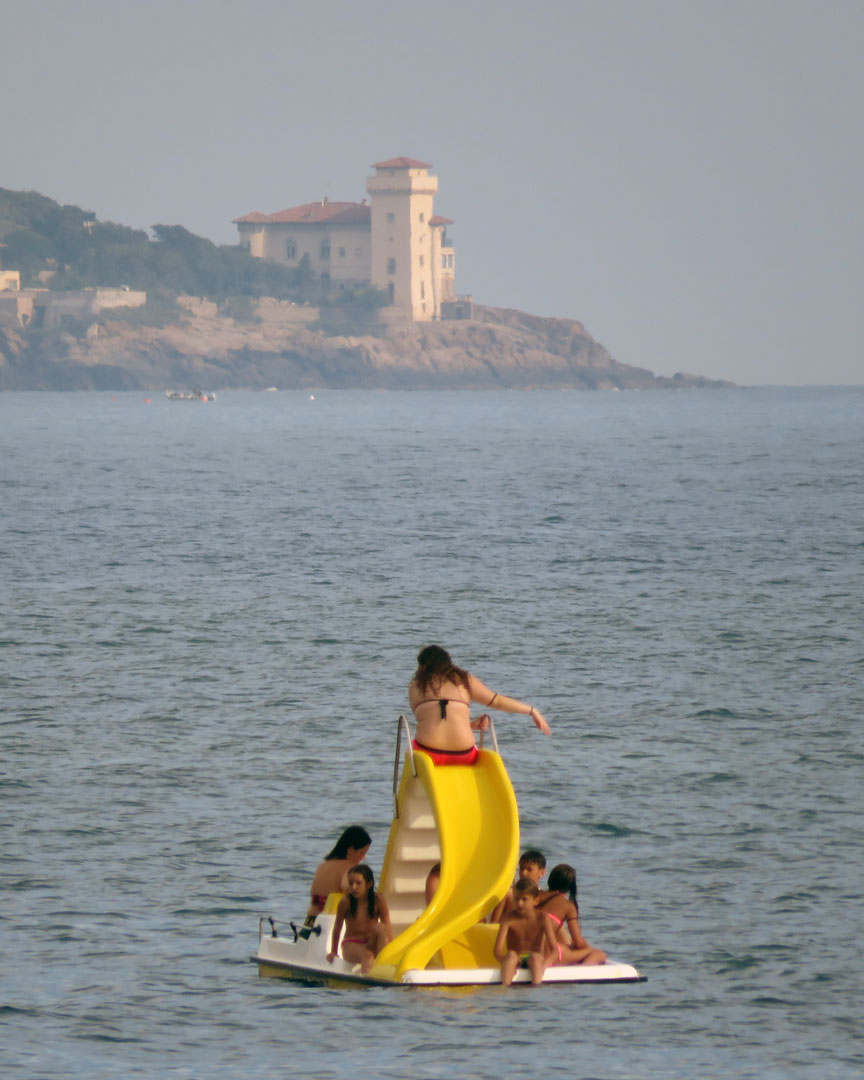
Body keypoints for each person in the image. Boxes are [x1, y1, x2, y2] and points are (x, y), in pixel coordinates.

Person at [409, 645, 550, 765]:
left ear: (423, 666)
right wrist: (532, 711)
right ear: (448, 663)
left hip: (428, 756)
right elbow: (497, 702)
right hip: (464, 755)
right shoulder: (464, 680)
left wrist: (469, 725)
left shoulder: (416, 686)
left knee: (411, 747)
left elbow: (432, 723)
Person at [327, 864, 392, 974]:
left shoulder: (378, 900)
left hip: (370, 941)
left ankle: (386, 964)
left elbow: (387, 926)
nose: (353, 887)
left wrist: (392, 949)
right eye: (351, 883)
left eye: (358, 883)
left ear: (369, 884)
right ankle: (367, 986)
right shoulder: (345, 902)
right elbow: (337, 929)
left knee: (380, 927)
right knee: (367, 955)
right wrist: (334, 951)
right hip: (351, 944)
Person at [538, 863, 606, 966]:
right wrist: (588, 950)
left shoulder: (537, 897)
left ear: (550, 880)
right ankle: (582, 971)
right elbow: (578, 941)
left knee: (566, 945)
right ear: (570, 886)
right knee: (599, 954)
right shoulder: (568, 906)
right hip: (548, 954)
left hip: (529, 950)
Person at [493, 878, 557, 986]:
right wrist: (504, 962)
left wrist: (544, 966)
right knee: (510, 956)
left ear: (536, 901)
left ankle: (536, 987)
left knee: (535, 958)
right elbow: (497, 951)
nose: (519, 903)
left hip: (536, 959)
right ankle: (505, 988)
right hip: (516, 959)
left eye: (524, 899)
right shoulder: (508, 918)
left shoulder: (542, 917)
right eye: (516, 899)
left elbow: (555, 950)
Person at [306, 825, 371, 918]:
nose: (364, 857)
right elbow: (347, 886)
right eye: (362, 853)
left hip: (311, 921)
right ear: (350, 850)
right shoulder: (350, 867)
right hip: (331, 923)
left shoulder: (323, 865)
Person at [490, 849, 547, 923]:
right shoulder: (509, 893)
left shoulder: (542, 896)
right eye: (521, 868)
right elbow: (494, 923)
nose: (523, 872)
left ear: (542, 872)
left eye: (529, 869)